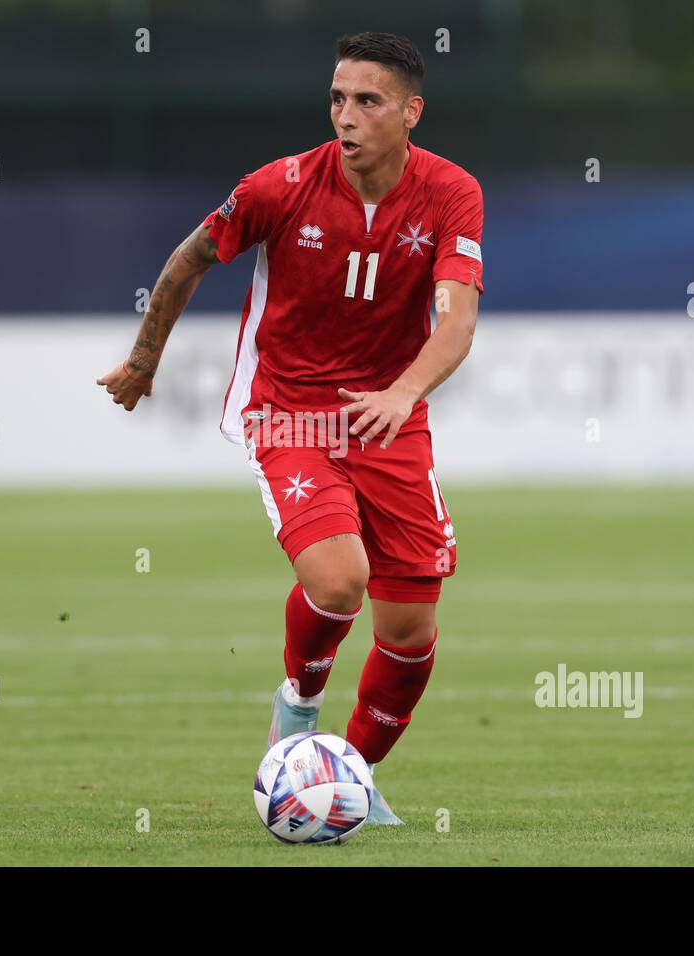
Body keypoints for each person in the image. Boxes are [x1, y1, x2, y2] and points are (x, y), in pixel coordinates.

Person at [97, 31, 483, 826]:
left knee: (410, 632)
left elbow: (457, 319)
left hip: (389, 420)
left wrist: (404, 393)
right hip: (288, 411)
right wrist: (143, 360)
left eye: (367, 101)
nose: (346, 115)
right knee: (340, 580)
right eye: (337, 98)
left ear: (410, 112)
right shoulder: (280, 186)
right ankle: (299, 705)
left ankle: (348, 777)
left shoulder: (452, 193)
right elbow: (189, 257)